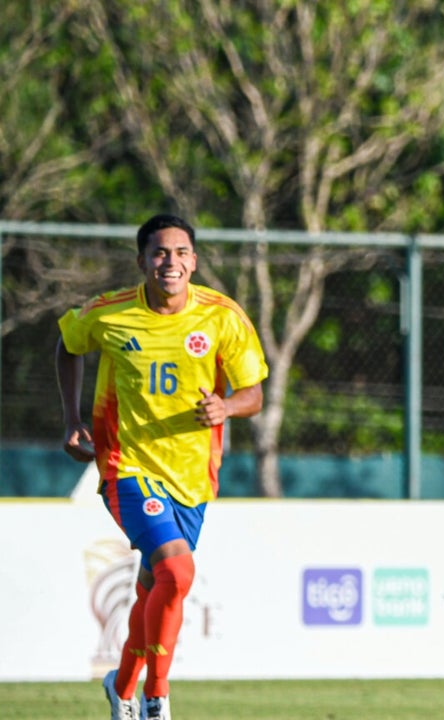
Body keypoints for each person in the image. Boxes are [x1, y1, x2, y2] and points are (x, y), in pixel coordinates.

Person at [56, 214, 269, 719]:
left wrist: (227, 407)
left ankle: (122, 688)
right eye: (159, 253)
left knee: (158, 584)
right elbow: (68, 344)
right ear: (142, 262)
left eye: (180, 253)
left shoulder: (223, 317)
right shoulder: (110, 314)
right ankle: (157, 696)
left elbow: (254, 393)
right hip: (125, 465)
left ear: (193, 262)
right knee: (177, 570)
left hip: (193, 479)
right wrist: (70, 417)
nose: (169, 262)